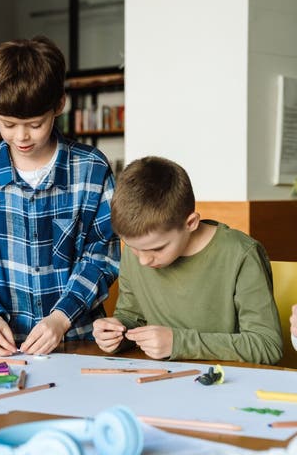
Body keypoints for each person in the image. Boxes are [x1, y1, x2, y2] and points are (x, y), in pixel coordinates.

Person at [0, 36, 120, 356]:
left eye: (35, 124)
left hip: (76, 339)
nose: (21, 136)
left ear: (60, 105)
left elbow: (102, 257)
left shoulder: (92, 169)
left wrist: (61, 317)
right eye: (8, 124)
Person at [93, 156, 283, 364]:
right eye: (132, 247)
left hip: (226, 383)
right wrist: (116, 333)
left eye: (157, 248)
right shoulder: (136, 252)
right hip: (160, 381)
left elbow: (267, 346)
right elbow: (132, 316)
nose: (144, 260)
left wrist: (179, 343)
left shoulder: (241, 254)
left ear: (191, 223)